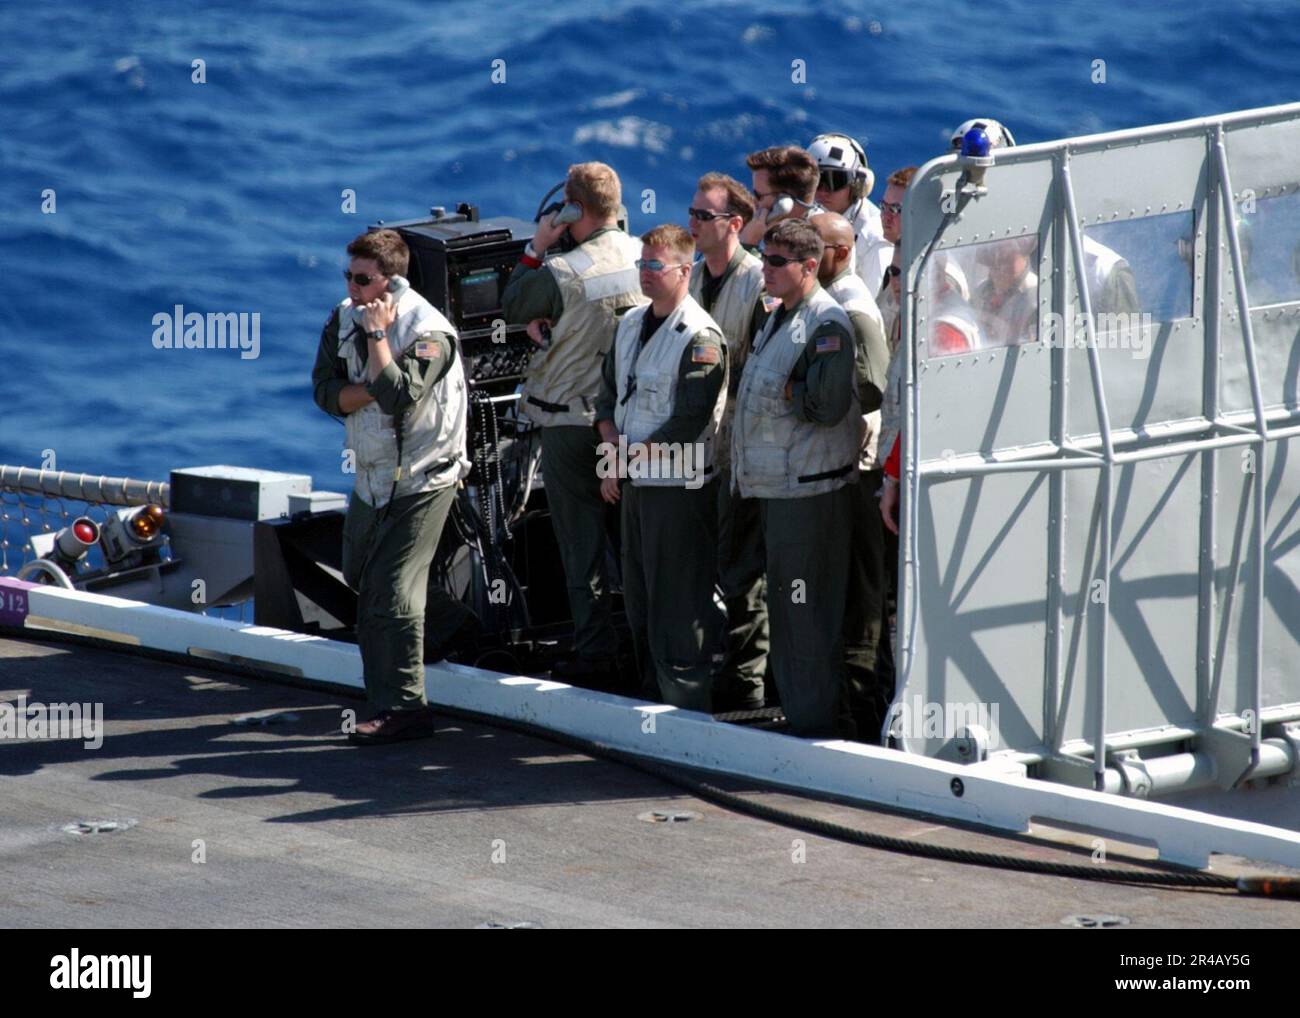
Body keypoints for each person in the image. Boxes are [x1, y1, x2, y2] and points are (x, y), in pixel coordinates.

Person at [311, 229, 475, 744]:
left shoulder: (430, 331)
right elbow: (323, 390)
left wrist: (379, 339)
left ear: (391, 280)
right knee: (360, 572)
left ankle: (404, 709)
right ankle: (453, 630)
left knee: (393, 593)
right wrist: (362, 393)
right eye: (349, 277)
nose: (353, 289)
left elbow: (400, 395)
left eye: (363, 280)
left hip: (425, 475)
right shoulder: (342, 318)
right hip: (372, 473)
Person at [502, 162, 648, 682]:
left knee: (581, 546)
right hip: (633, 425)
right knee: (634, 541)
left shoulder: (562, 272)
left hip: (571, 424)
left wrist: (537, 246)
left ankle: (596, 655)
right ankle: (644, 646)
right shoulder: (648, 256)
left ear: (574, 209)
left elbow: (514, 302)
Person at [732, 219, 861, 738]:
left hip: (809, 493)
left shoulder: (826, 324)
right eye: (764, 259)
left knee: (806, 616)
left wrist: (790, 390)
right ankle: (801, 717)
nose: (765, 268)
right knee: (788, 611)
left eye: (777, 262)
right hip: (779, 488)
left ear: (810, 267)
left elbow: (826, 406)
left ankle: (816, 729)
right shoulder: (778, 315)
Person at [595, 225, 728, 711]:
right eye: (642, 265)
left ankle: (687, 708)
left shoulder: (700, 338)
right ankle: (652, 702)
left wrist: (620, 463)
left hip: (678, 487)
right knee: (640, 599)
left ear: (683, 272)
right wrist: (613, 460)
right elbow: (608, 397)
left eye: (656, 267)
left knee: (678, 603)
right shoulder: (630, 322)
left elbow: (687, 422)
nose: (646, 275)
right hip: (636, 484)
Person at [686, 172, 771, 711]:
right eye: (692, 214)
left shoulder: (759, 283)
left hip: (741, 443)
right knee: (706, 559)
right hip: (701, 445)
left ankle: (747, 682)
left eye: (703, 216)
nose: (691, 224)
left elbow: (760, 371)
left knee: (743, 568)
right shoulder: (692, 278)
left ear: (734, 224)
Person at [812, 212, 891, 739]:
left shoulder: (853, 309)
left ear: (840, 252)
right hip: (843, 466)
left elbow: (874, 390)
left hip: (861, 471)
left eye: (813, 247)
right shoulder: (831, 301)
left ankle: (861, 713)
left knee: (864, 596)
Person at [808, 132, 892, 291]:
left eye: (835, 181)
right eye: (817, 180)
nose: (823, 191)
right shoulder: (807, 216)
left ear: (858, 183)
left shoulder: (873, 238)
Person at [738, 145, 827, 250]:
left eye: (759, 196)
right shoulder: (765, 229)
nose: (754, 202)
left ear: (784, 203)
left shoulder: (820, 241)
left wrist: (749, 244)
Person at [973, 236, 1039, 347]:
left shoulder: (1035, 297)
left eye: (1007, 259)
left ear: (1024, 257)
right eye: (992, 258)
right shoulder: (981, 290)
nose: (998, 265)